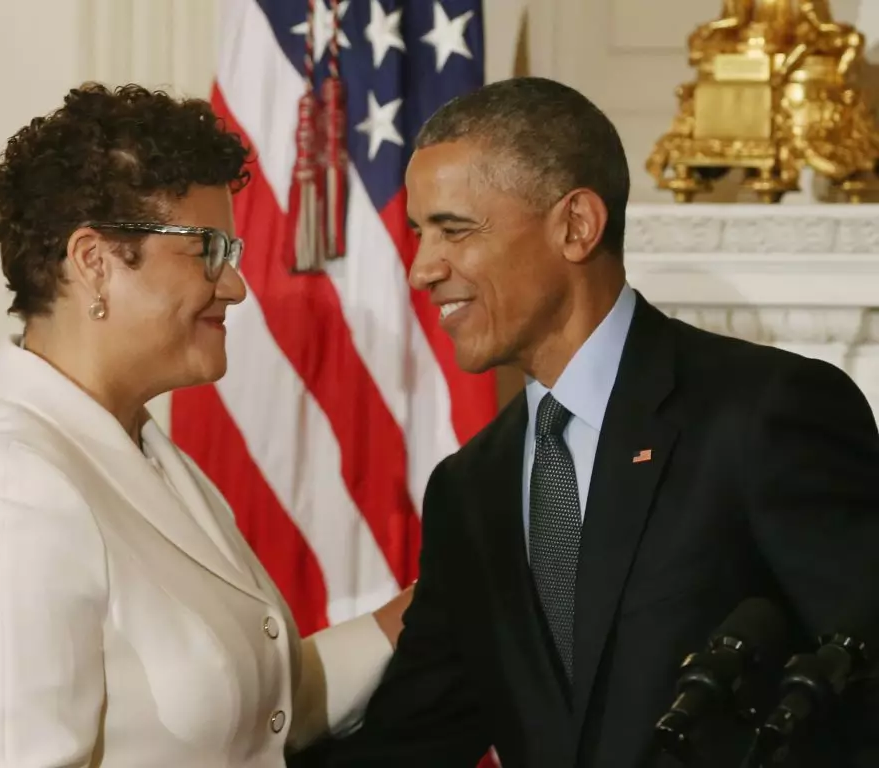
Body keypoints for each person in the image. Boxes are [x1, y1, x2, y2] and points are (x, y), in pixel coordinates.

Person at [313, 77, 879, 767]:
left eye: (453, 230)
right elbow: (415, 737)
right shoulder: (470, 489)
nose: (423, 269)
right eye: (419, 233)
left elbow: (863, 688)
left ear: (576, 226)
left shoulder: (763, 414)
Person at [0, 83, 412, 768]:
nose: (235, 284)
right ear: (94, 263)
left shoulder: (144, 456)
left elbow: (265, 711)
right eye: (207, 248)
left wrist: (442, 594)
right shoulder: (8, 497)